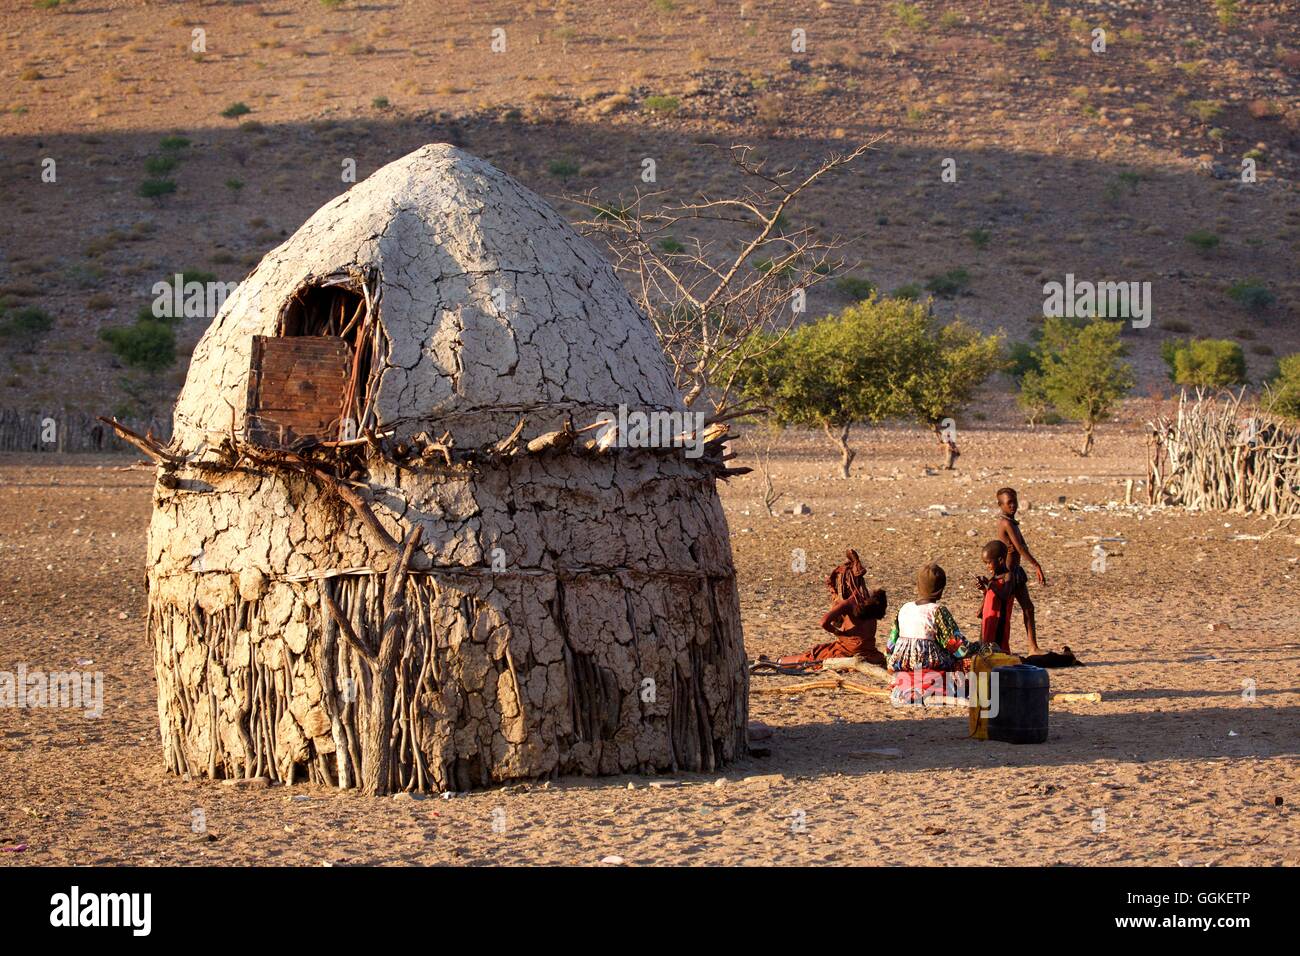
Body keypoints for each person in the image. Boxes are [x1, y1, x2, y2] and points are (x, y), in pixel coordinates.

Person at [779, 549, 887, 668]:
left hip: (850, 649)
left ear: (845, 582)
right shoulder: (869, 599)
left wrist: (838, 633)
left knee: (815, 655)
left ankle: (779, 662)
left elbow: (823, 622)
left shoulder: (849, 602)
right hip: (868, 649)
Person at [886, 563, 975, 703]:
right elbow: (958, 648)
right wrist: (975, 649)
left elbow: (891, 644)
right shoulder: (937, 611)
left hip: (904, 668)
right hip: (930, 667)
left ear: (917, 586)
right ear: (941, 590)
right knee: (969, 662)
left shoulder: (904, 608)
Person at [994, 487, 1043, 655]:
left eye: (1014, 502)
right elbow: (1020, 548)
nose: (1012, 506)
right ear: (1000, 505)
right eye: (1008, 503)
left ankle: (1033, 647)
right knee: (1002, 614)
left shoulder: (1011, 521)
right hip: (1008, 575)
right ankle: (999, 648)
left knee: (1028, 608)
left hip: (1016, 572)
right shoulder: (1006, 523)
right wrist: (1036, 566)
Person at [974, 540, 1029, 654]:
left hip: (1000, 621)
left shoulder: (1008, 576)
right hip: (989, 619)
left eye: (989, 563)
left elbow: (1004, 595)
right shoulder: (994, 577)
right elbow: (992, 596)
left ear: (1000, 560)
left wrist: (990, 584)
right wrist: (984, 589)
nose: (987, 566)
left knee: (998, 648)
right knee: (985, 646)